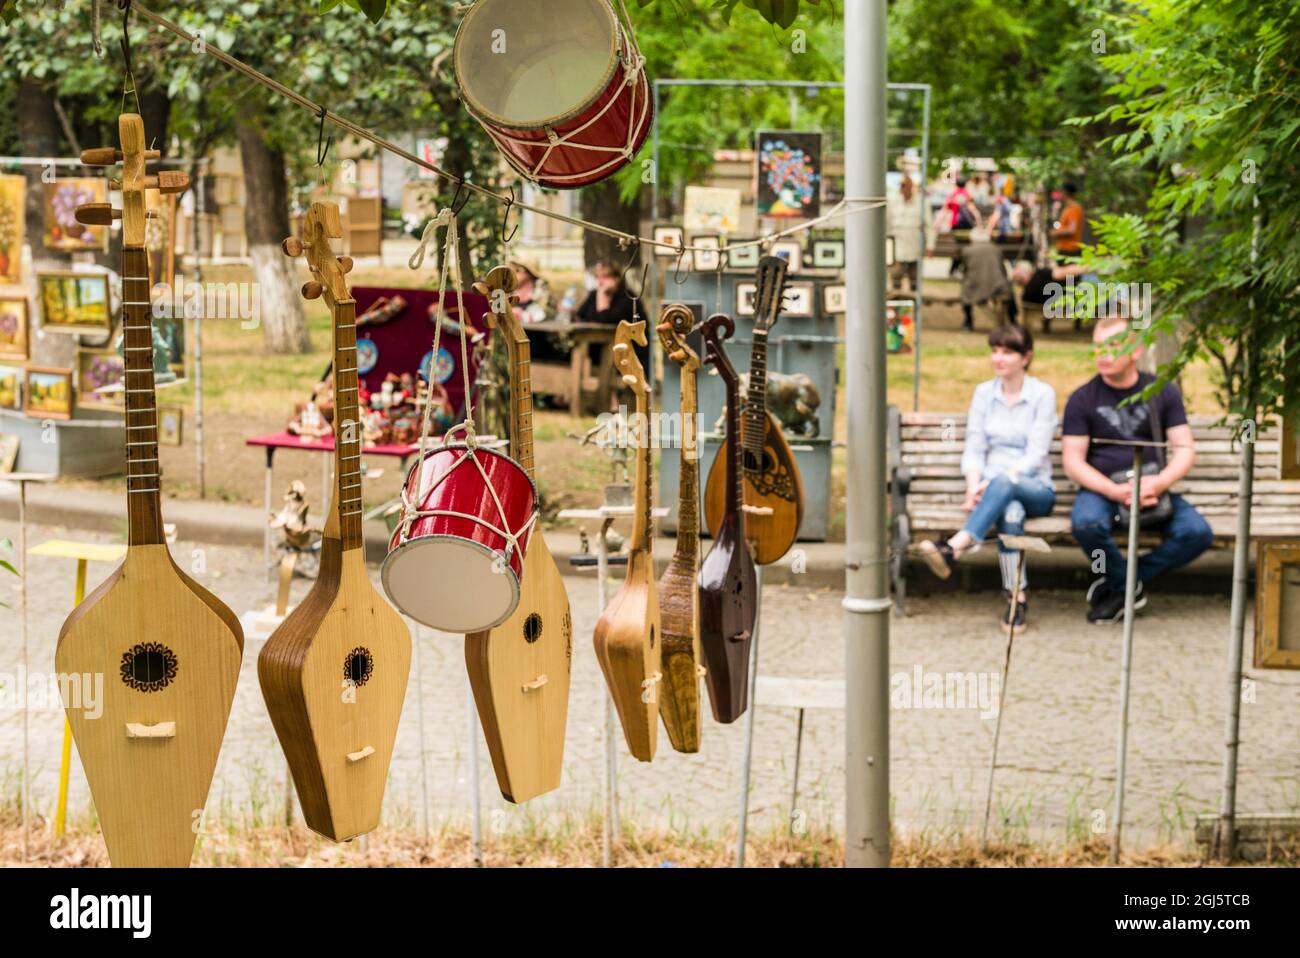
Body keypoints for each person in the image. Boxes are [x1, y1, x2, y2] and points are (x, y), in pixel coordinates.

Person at [1062, 313, 1214, 623]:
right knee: (1087, 524)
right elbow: (1073, 461)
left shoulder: (1163, 392)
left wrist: (1159, 483)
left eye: (1112, 348)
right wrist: (1114, 490)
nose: (1102, 356)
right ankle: (1129, 587)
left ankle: (1121, 584)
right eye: (1097, 348)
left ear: (1135, 352)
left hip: (1151, 486)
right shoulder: (1082, 399)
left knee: (1197, 533)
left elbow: (1184, 448)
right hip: (1102, 488)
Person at [918, 323, 1057, 634]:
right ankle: (1016, 596)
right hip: (994, 492)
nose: (998, 358)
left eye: (1007, 352)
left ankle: (957, 546)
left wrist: (994, 483)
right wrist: (973, 486)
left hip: (1037, 489)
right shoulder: (984, 393)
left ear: (1026, 357)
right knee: (1010, 514)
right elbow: (975, 447)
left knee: (1007, 485)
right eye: (995, 351)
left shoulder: (1042, 395)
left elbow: (1036, 455)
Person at [959, 229, 1017, 329]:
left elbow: (965, 270)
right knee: (1009, 291)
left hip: (974, 286)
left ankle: (968, 321)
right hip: (999, 286)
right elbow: (1003, 270)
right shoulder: (996, 249)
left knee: (965, 291)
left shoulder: (967, 250)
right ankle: (1013, 320)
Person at [887, 170, 931, 292]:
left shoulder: (922, 202)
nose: (903, 188)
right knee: (895, 277)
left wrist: (930, 245)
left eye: (906, 185)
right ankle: (897, 303)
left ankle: (914, 303)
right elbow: (887, 223)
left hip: (914, 246)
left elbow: (928, 225)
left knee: (915, 279)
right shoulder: (893, 202)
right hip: (897, 248)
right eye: (901, 186)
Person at [511, 258, 553, 323]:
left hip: (537, 331)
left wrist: (523, 314)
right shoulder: (510, 288)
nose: (513, 272)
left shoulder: (541, 287)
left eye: (518, 270)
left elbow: (546, 312)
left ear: (529, 273)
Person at [1050, 182, 1084, 262]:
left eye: (1061, 192)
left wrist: (1055, 233)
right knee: (1063, 274)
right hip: (1064, 250)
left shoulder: (1074, 209)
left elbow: (1072, 230)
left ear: (1065, 193)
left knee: (1069, 274)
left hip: (1070, 251)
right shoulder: (1067, 208)